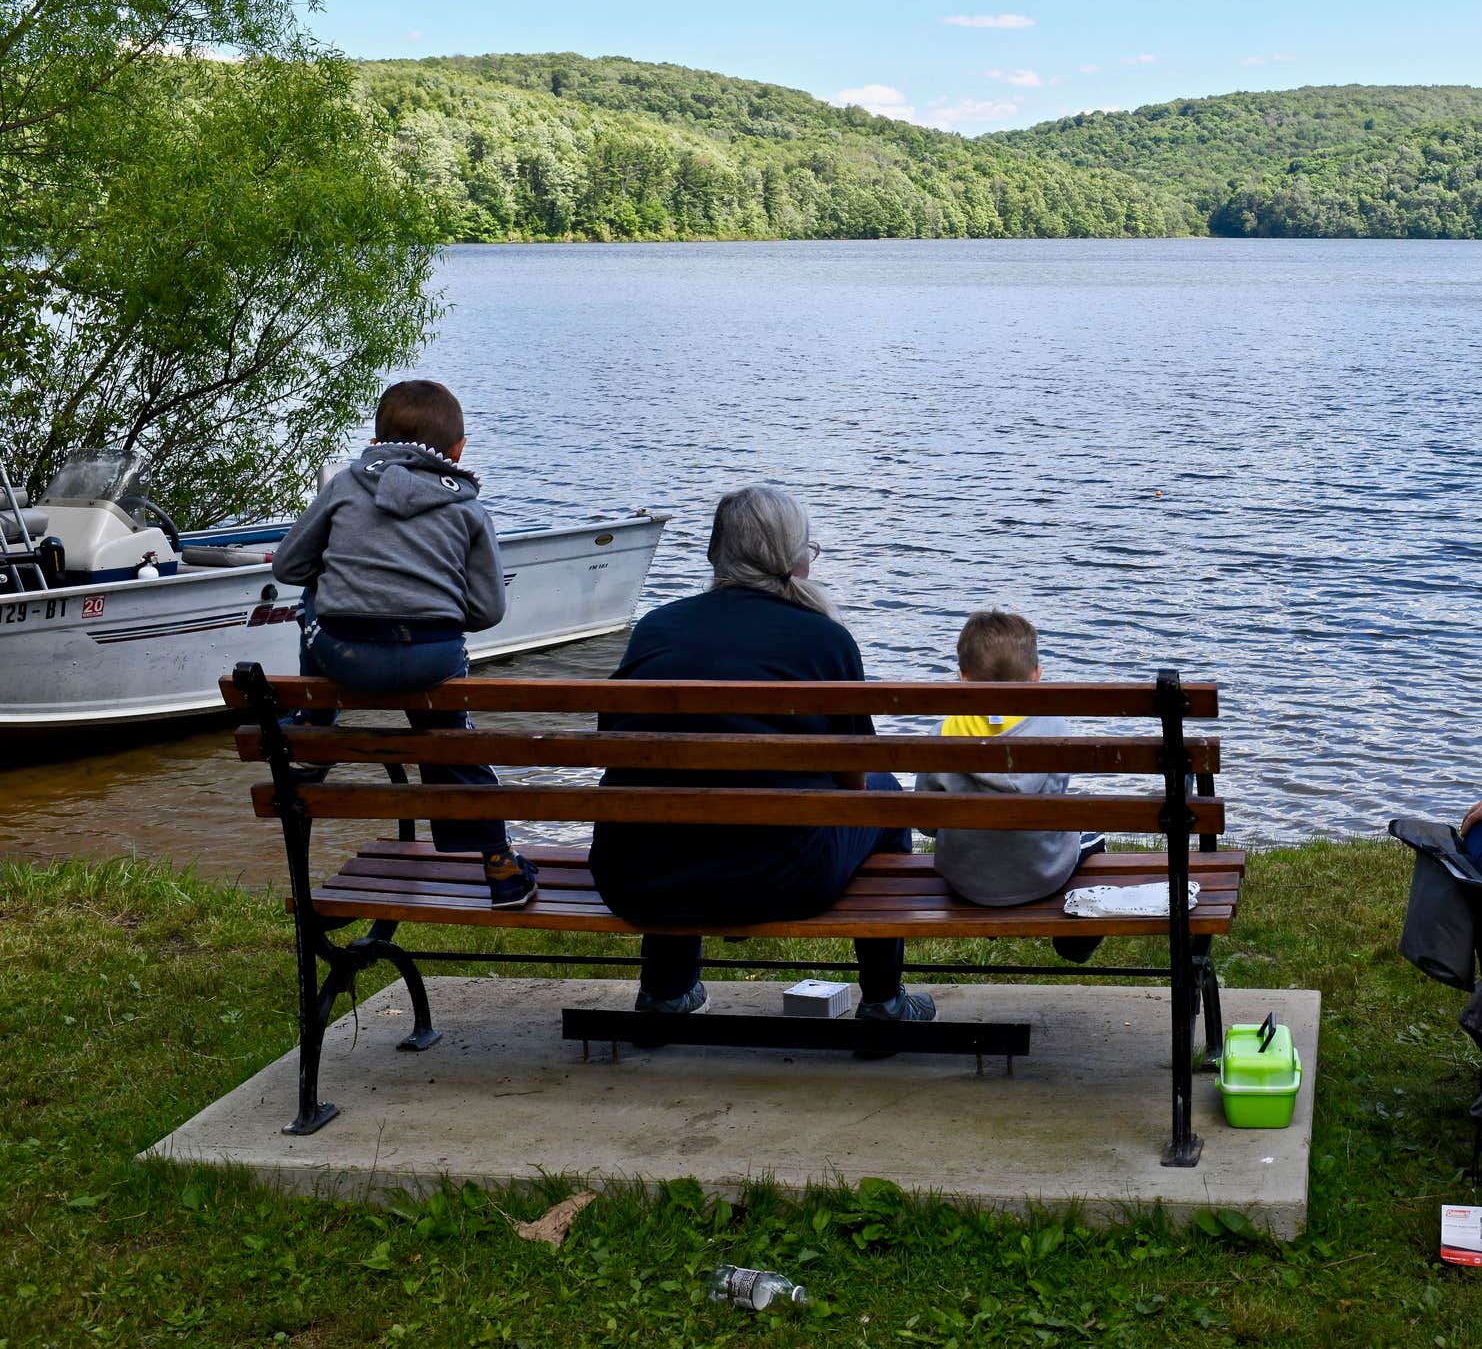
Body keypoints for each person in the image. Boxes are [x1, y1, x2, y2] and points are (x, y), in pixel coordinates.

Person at [588, 484, 935, 1034]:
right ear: (795, 559)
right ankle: (883, 999)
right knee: (885, 796)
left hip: (638, 874)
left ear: (713, 555)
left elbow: (618, 749)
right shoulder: (824, 640)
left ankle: (665, 990)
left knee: (670, 803)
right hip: (783, 878)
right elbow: (852, 786)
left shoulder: (656, 629)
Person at [270, 378, 536, 909]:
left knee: (312, 595)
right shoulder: (469, 509)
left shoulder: (344, 487)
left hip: (343, 656)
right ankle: (501, 867)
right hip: (430, 663)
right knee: (453, 736)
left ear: (377, 441)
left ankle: (315, 726)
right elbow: (488, 611)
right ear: (458, 450)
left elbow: (288, 566)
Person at [915, 610, 1104, 962]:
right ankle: (1077, 938)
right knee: (1092, 835)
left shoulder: (941, 734)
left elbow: (926, 824)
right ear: (1036, 677)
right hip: (1042, 876)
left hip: (966, 883)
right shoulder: (1053, 728)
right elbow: (1058, 800)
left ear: (963, 678)